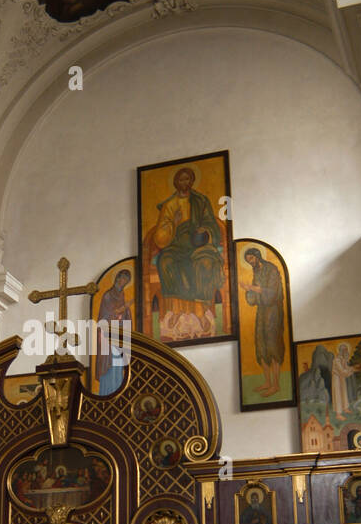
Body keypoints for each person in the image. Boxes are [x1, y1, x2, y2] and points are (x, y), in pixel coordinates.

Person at [147, 167, 225, 333]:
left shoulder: (201, 201)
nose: (184, 183)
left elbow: (213, 226)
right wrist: (173, 224)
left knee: (204, 263)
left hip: (198, 246)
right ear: (176, 182)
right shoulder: (169, 205)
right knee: (165, 261)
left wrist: (204, 231)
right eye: (181, 180)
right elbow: (159, 238)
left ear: (192, 181)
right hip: (175, 246)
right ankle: (177, 310)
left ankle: (201, 312)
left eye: (187, 179)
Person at [242, 247, 284, 396]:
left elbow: (273, 292)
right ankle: (267, 382)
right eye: (248, 261)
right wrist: (249, 291)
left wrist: (255, 289)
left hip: (273, 311)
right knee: (261, 345)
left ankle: (276, 385)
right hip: (262, 312)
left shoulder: (271, 269)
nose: (250, 262)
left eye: (251, 259)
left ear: (257, 256)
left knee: (273, 345)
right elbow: (255, 297)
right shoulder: (257, 272)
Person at [96, 268, 132, 396]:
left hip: (119, 336)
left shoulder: (122, 296)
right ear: (117, 278)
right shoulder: (108, 295)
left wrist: (126, 311)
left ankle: (118, 392)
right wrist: (119, 311)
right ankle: (107, 393)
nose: (123, 283)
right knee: (110, 364)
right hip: (108, 336)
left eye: (126, 281)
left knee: (118, 365)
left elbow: (124, 317)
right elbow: (103, 317)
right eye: (123, 279)